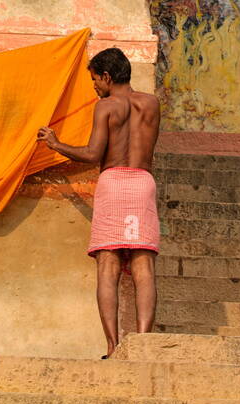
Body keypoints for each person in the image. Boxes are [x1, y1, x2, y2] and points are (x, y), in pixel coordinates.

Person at [37, 47, 161, 358]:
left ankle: (112, 345)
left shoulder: (106, 106)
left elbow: (93, 155)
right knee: (143, 264)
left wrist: (56, 144)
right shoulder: (151, 104)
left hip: (114, 183)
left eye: (95, 80)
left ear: (107, 77)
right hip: (143, 182)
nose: (94, 86)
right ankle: (143, 345)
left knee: (108, 264)